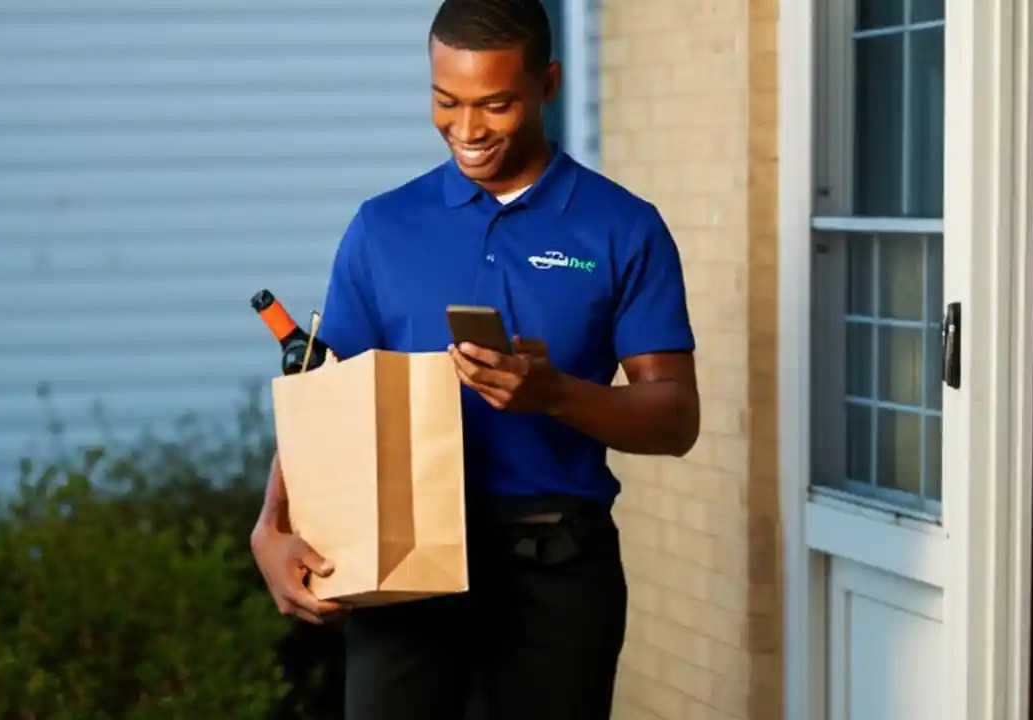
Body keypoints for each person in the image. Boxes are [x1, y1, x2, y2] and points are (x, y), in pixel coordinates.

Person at [250, 0, 700, 717]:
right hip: (401, 563)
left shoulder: (623, 227)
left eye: (495, 104)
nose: (467, 131)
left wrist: (554, 394)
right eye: (445, 101)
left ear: (547, 84)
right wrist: (271, 523)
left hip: (556, 568)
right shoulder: (382, 227)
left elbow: (675, 418)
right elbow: (327, 401)